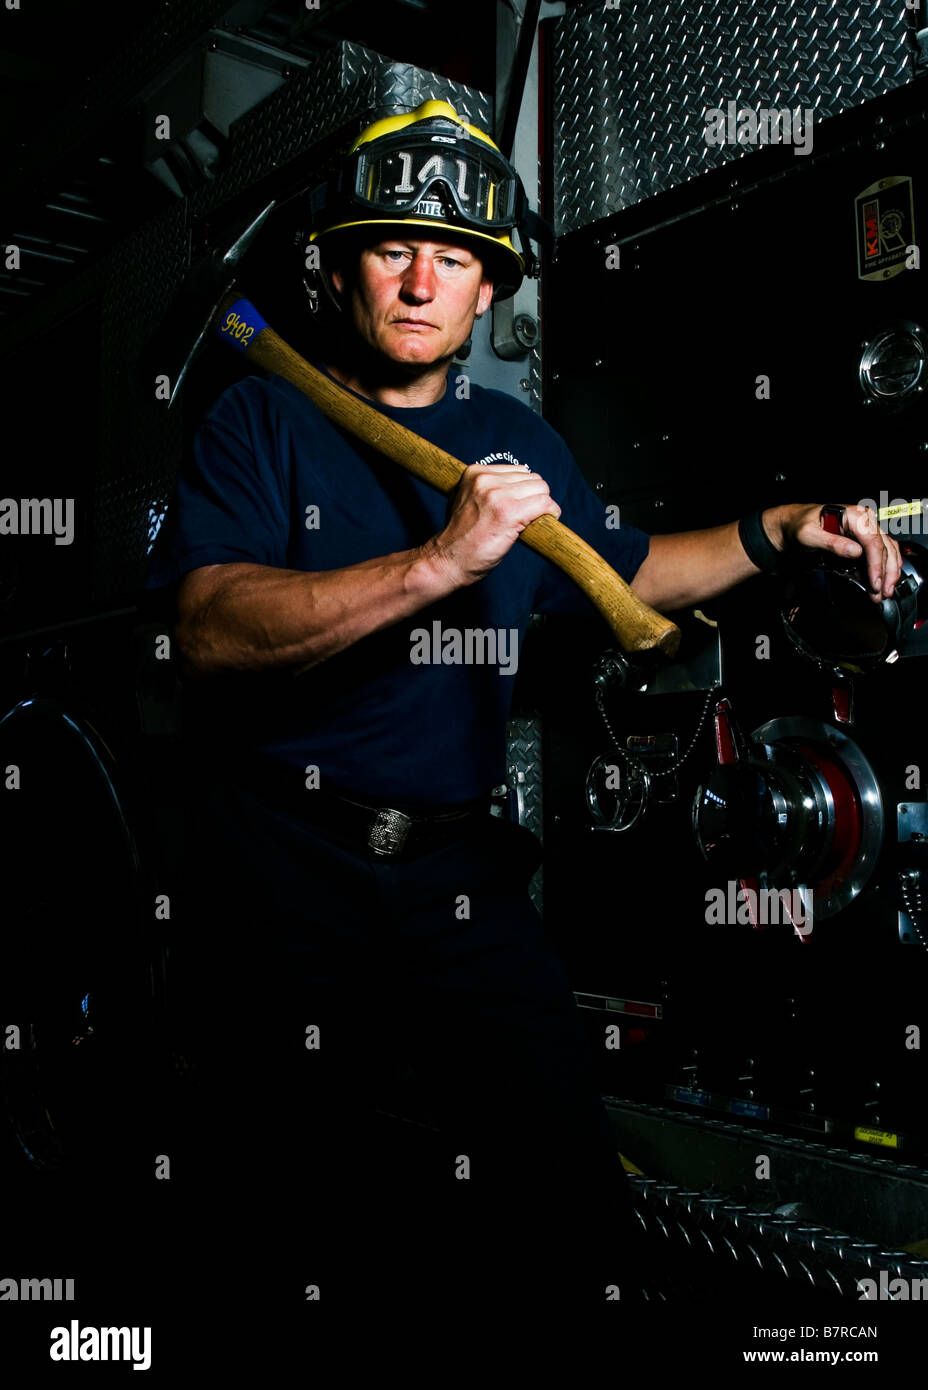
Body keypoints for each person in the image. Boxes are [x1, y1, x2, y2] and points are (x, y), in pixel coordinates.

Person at [145, 101, 901, 1308]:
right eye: (391, 249)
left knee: (565, 1205)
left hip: (458, 879)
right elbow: (211, 629)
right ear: (339, 268)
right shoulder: (260, 418)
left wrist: (779, 533)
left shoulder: (513, 437)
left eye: (452, 259)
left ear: (487, 291)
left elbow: (630, 572)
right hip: (282, 870)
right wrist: (441, 561)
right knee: (276, 1212)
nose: (418, 282)